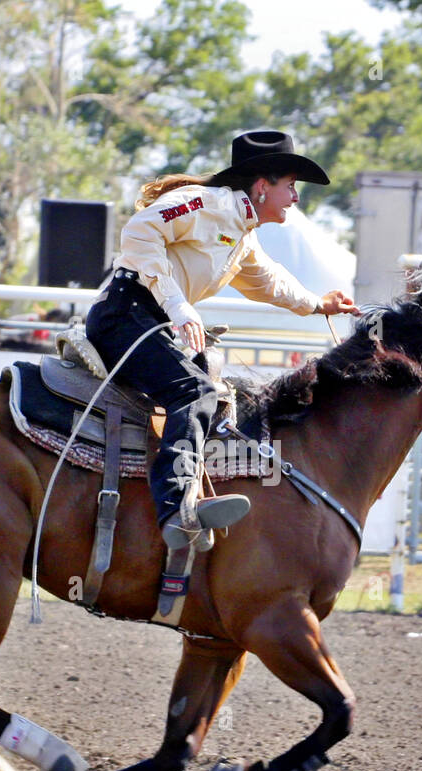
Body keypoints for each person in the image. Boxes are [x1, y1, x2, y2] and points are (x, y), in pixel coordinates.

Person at [85, 129, 358, 552]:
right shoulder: (208, 204)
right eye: (290, 187)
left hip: (145, 318)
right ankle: (177, 508)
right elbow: (139, 231)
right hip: (125, 315)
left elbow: (268, 282)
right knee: (194, 392)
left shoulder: (241, 232)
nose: (295, 198)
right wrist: (178, 305)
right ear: (262, 186)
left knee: (214, 395)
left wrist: (319, 304)